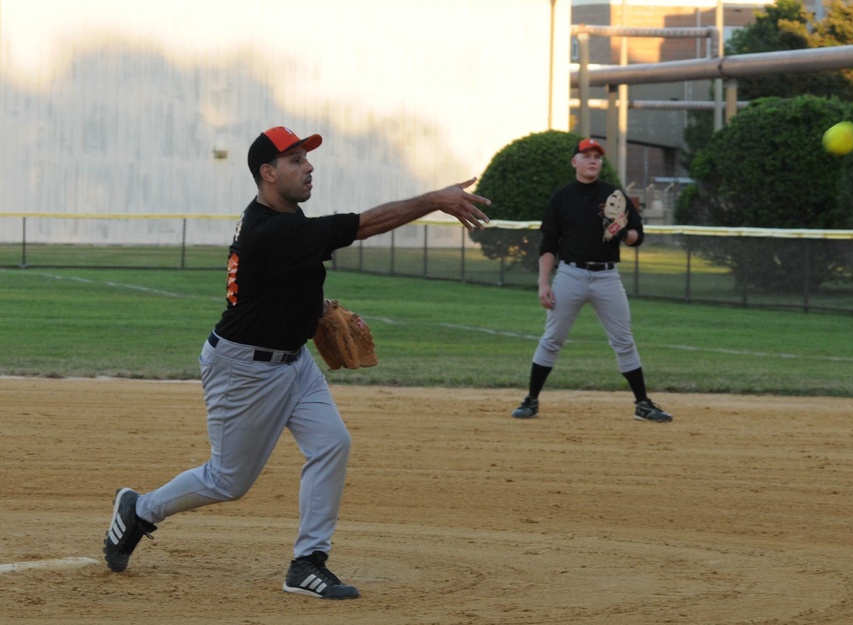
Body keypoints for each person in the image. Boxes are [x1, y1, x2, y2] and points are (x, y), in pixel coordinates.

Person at [103, 126, 490, 599]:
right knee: (227, 480)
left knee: (332, 443)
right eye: (295, 160)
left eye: (306, 158)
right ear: (267, 174)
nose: (308, 167)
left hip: (293, 360)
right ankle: (140, 511)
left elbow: (289, 280)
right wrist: (434, 199)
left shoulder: (285, 216)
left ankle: (308, 563)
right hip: (245, 369)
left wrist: (317, 308)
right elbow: (363, 225)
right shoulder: (276, 230)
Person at [510, 138, 672, 423]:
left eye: (597, 156)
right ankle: (531, 400)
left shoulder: (614, 194)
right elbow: (548, 244)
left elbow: (638, 237)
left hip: (607, 276)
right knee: (552, 339)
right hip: (570, 274)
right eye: (586, 155)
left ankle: (643, 404)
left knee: (623, 341)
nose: (593, 160)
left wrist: (622, 232)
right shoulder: (561, 198)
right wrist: (543, 283)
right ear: (575, 161)